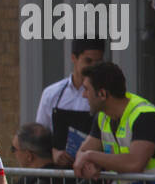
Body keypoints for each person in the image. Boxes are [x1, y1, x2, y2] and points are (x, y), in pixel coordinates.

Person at [37, 39, 106, 168]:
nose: (94, 67)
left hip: (94, 171)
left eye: (99, 62)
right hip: (58, 172)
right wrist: (54, 153)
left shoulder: (105, 95)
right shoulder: (52, 94)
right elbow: (41, 136)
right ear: (74, 58)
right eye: (88, 61)